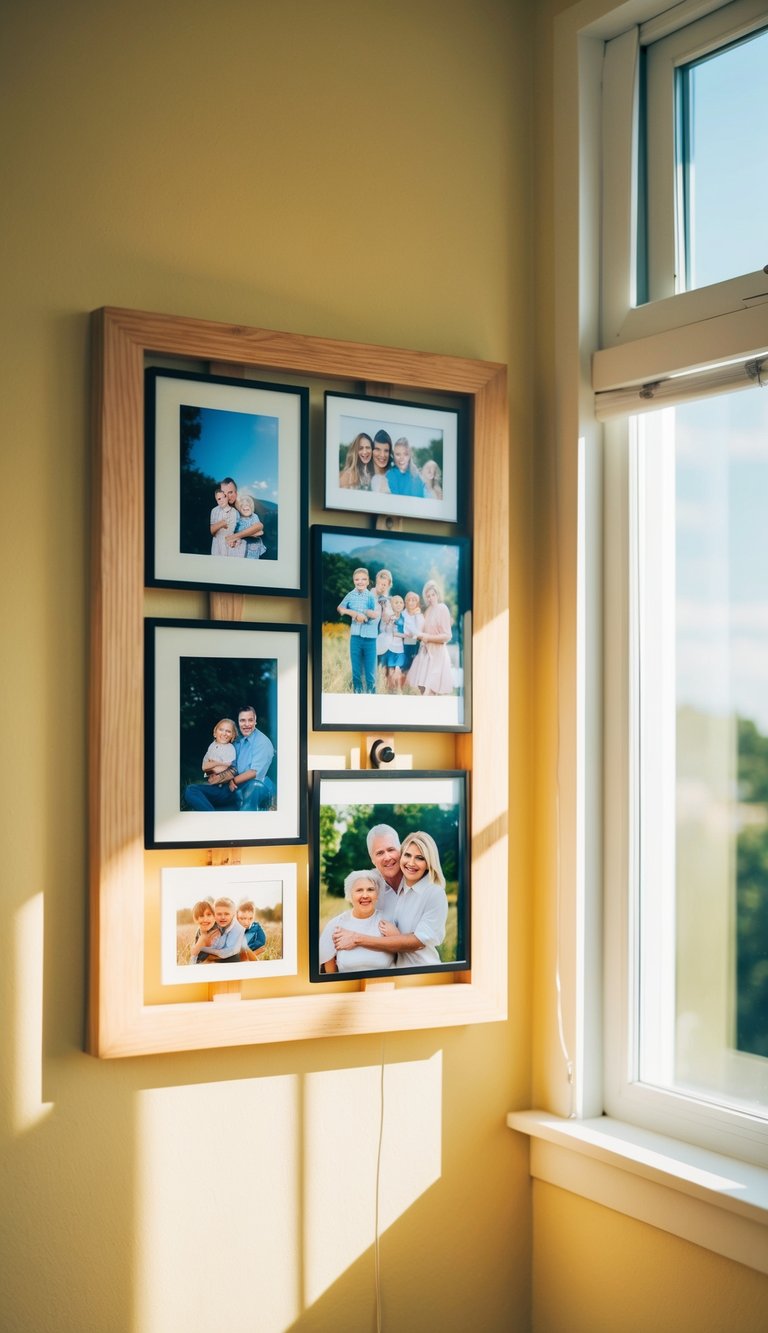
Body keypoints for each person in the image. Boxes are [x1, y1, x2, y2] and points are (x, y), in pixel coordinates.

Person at [332, 831, 448, 970]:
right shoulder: (396, 887)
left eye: (420, 858)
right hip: (396, 973)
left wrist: (358, 939)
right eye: (407, 855)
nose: (411, 863)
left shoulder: (434, 893)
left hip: (423, 971)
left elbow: (417, 942)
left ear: (429, 862)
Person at [184, 705, 275, 812]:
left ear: (255, 721)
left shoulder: (262, 742)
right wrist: (216, 777)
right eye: (242, 720)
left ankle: (243, 813)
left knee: (254, 787)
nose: (246, 724)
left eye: (250, 720)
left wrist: (234, 781)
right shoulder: (236, 742)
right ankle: (213, 817)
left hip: (255, 787)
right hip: (232, 789)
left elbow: (254, 773)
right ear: (238, 722)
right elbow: (232, 768)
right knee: (191, 790)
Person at [319, 871, 396, 974]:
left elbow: (403, 955)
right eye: (359, 890)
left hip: (384, 985)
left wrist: (396, 936)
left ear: (377, 895)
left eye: (370, 890)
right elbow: (329, 967)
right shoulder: (336, 925)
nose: (365, 895)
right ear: (349, 896)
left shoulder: (388, 921)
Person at [405, 579, 454, 696]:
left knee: (431, 691)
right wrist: (414, 634)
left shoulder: (442, 608)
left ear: (437, 595)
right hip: (425, 653)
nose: (430, 598)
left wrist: (427, 637)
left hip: (437, 655)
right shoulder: (427, 611)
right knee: (421, 689)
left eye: (433, 595)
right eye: (427, 596)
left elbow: (447, 636)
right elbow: (421, 634)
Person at [336, 566, 380, 693]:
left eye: (363, 579)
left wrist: (366, 616)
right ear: (353, 580)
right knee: (356, 673)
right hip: (355, 638)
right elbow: (340, 609)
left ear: (368, 581)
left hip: (370, 639)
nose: (360, 582)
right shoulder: (350, 595)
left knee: (370, 674)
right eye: (357, 579)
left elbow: (375, 616)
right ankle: (357, 697)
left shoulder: (371, 597)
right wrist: (353, 613)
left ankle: (371, 699)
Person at [218, 476, 265, 554]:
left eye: (230, 492)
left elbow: (259, 527)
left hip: (251, 550)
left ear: (236, 492)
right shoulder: (223, 510)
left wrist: (234, 536)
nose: (228, 497)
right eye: (225, 494)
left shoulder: (245, 505)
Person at [191, 897, 245, 964]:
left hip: (226, 956)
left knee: (240, 953)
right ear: (215, 914)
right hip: (207, 960)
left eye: (226, 914)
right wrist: (201, 944)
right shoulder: (203, 930)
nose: (223, 917)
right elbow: (194, 955)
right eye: (219, 914)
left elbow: (232, 951)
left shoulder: (237, 928)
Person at [200, 718, 238, 786]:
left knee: (228, 774)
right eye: (221, 730)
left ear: (233, 735)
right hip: (211, 774)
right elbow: (204, 766)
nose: (224, 733)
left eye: (228, 731)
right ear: (215, 733)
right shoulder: (212, 745)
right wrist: (217, 763)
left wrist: (211, 768)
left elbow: (227, 766)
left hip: (223, 774)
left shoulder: (230, 748)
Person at [231, 491, 266, 559]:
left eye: (247, 504)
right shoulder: (237, 517)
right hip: (240, 547)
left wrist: (244, 534)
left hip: (254, 547)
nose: (245, 506)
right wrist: (250, 533)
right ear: (238, 508)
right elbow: (233, 532)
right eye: (242, 505)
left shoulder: (254, 516)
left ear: (251, 506)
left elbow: (260, 531)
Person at [382, 593, 406, 691]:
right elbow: (393, 633)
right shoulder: (392, 618)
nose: (399, 604)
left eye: (401, 602)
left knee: (398, 669)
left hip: (400, 648)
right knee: (390, 671)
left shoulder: (404, 617)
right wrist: (406, 635)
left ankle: (398, 689)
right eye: (396, 602)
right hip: (390, 647)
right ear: (392, 605)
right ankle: (390, 689)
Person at [401, 590, 425, 678]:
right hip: (403, 641)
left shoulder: (420, 616)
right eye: (409, 600)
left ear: (417, 603)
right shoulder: (402, 615)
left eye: (414, 600)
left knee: (414, 663)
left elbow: (420, 630)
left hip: (415, 642)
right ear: (405, 602)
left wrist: (417, 615)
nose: (411, 602)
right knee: (405, 664)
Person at [209, 486, 237, 556]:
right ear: (216, 501)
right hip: (216, 544)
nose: (222, 500)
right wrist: (222, 523)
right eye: (219, 499)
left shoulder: (233, 511)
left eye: (224, 497)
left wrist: (217, 526)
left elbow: (231, 530)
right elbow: (212, 531)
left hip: (228, 544)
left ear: (227, 497)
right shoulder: (214, 511)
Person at [188, 899, 217, 964]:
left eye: (209, 915)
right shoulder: (199, 932)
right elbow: (194, 954)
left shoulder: (218, 929)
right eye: (201, 916)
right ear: (196, 919)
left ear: (214, 917)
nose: (205, 919)